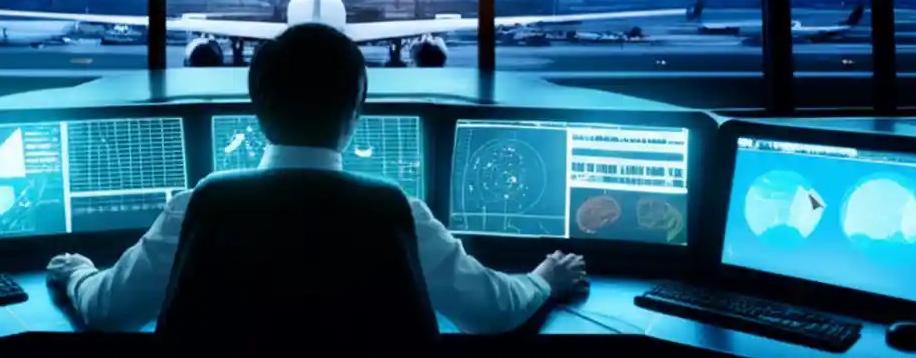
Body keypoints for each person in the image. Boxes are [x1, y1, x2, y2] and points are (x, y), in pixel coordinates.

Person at [47, 23, 588, 334]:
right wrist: (544, 278)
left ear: (255, 109)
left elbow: (106, 313)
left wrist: (78, 273)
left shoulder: (200, 208)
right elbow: (490, 313)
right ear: (356, 110)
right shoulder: (395, 210)